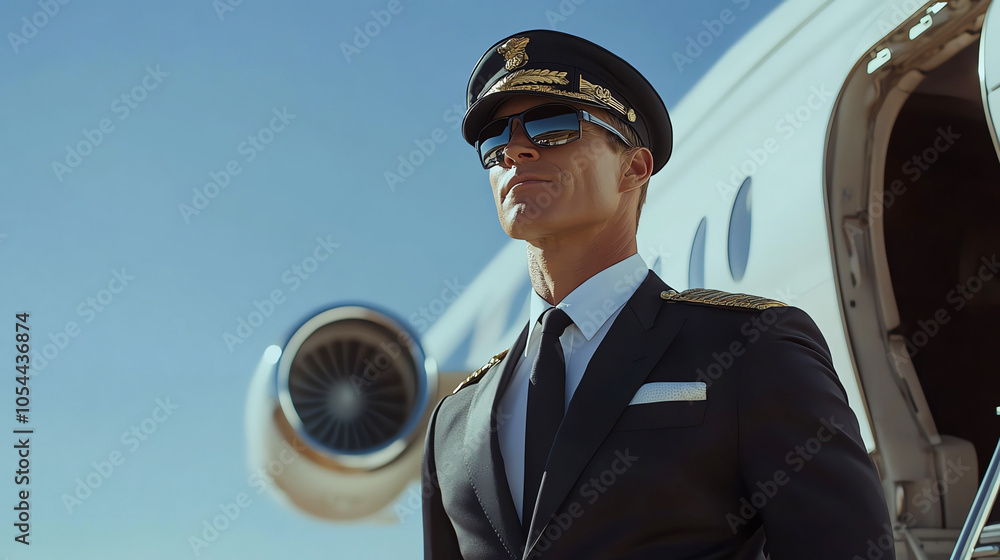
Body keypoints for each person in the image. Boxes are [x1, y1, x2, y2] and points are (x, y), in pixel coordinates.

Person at [421, 29, 893, 559]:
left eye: (552, 126)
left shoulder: (749, 347)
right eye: (495, 141)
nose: (515, 149)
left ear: (635, 168)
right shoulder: (453, 422)